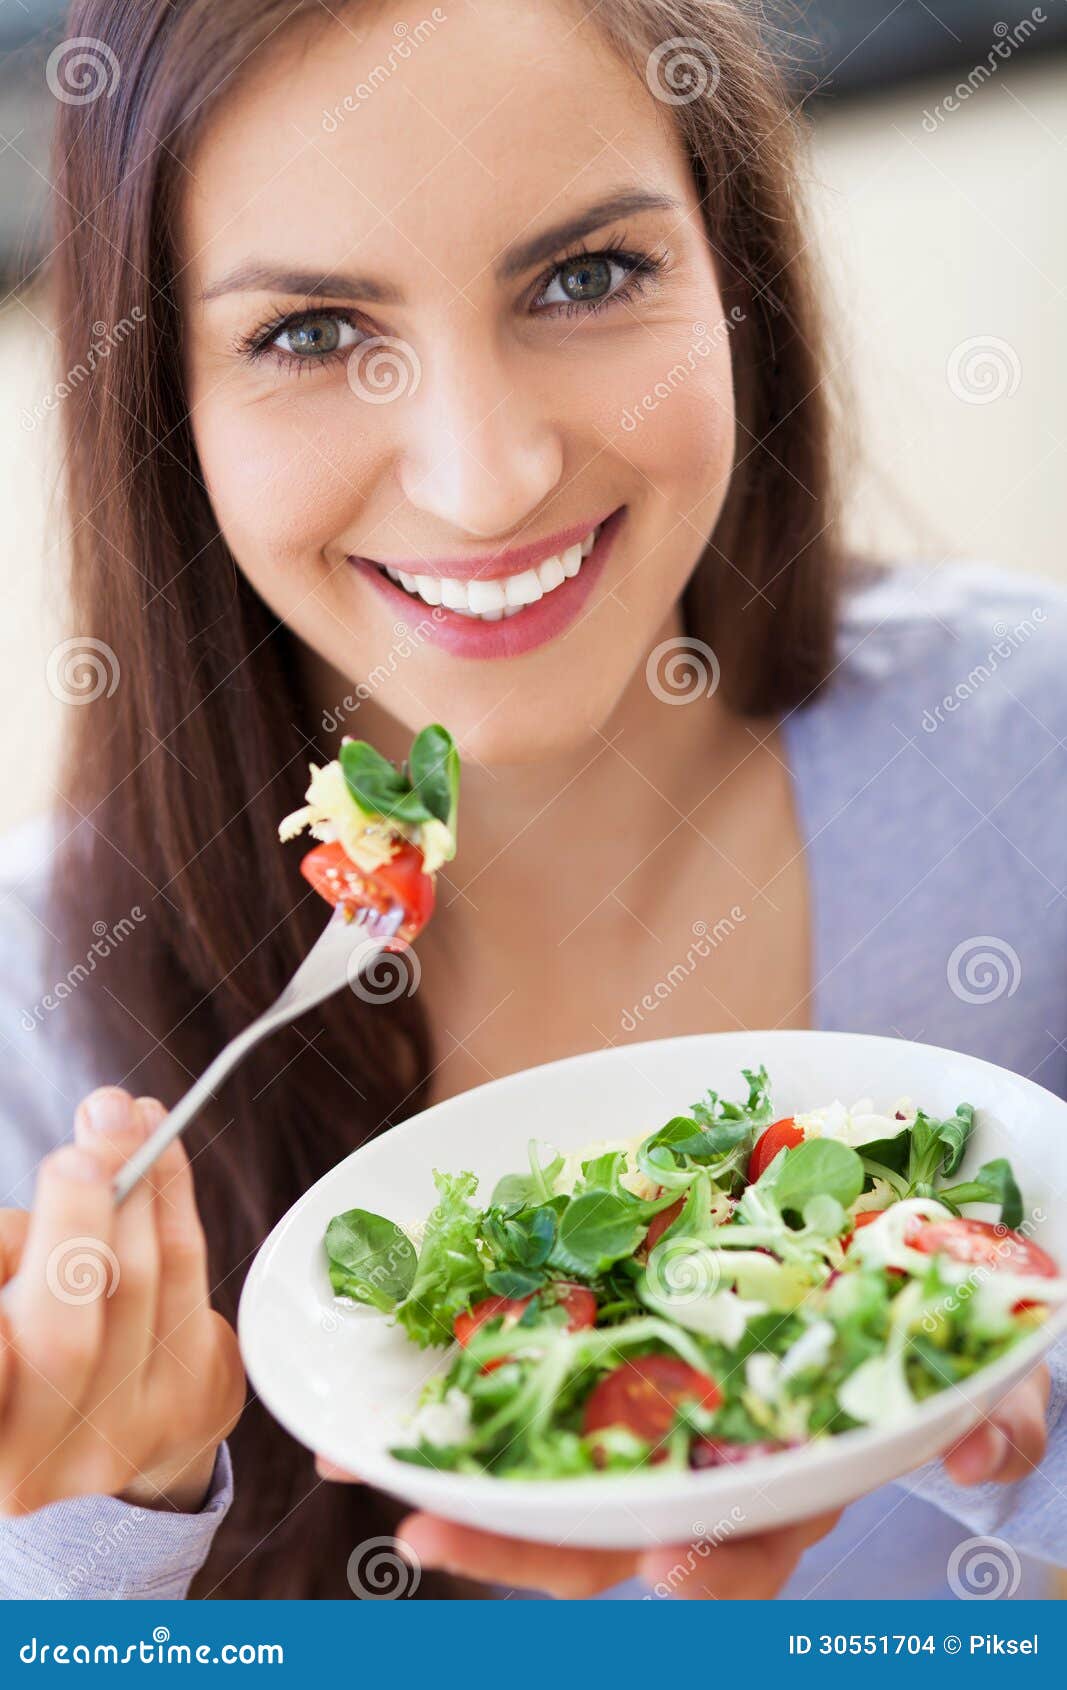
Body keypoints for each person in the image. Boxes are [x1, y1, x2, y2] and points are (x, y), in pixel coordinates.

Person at [0, 0, 1062, 1600]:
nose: (485, 476)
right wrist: (100, 1524)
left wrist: (1036, 1454)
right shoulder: (32, 1020)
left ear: (730, 274)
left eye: (585, 276)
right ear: (165, 403)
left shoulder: (1028, 755)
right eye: (310, 332)